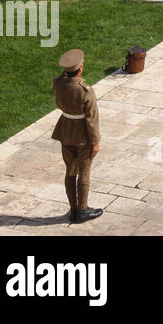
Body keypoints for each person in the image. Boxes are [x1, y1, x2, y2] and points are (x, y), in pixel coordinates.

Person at [51, 49, 102, 225]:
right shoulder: (85, 91)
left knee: (70, 171)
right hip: (82, 137)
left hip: (66, 131)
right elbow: (92, 119)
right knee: (84, 173)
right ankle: (82, 210)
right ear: (80, 69)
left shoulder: (58, 84)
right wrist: (95, 142)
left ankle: (73, 208)